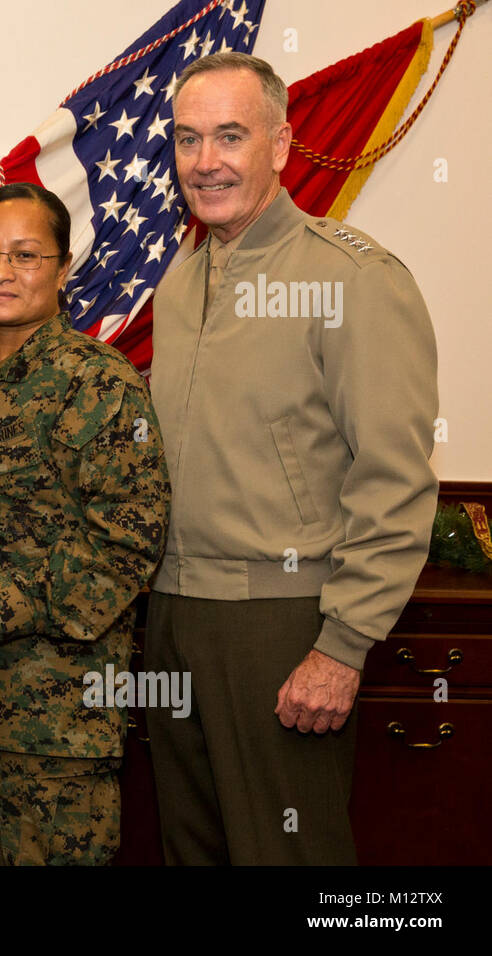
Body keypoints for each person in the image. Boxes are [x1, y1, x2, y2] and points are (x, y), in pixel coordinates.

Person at [147, 52, 439, 865]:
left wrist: (343, 645)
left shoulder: (351, 278)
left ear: (281, 145)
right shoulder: (183, 277)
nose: (206, 162)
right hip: (172, 614)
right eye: (188, 139)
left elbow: (395, 478)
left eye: (230, 136)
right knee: (190, 852)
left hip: (280, 626)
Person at [0, 183, 169, 865]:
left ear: (61, 267)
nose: (0, 272)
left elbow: (129, 543)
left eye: (24, 256)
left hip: (58, 729)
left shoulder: (100, 383)